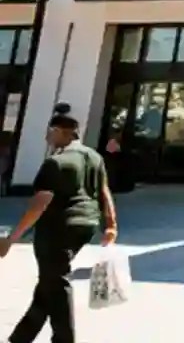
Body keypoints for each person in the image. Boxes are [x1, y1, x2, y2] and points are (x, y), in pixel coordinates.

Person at [1, 114, 118, 343]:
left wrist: (12, 238)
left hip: (57, 229)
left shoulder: (55, 162)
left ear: (60, 132)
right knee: (50, 280)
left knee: (56, 282)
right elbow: (104, 191)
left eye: (50, 131)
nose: (47, 137)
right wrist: (111, 225)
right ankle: (21, 338)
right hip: (87, 225)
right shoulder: (94, 157)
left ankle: (64, 339)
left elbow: (39, 204)